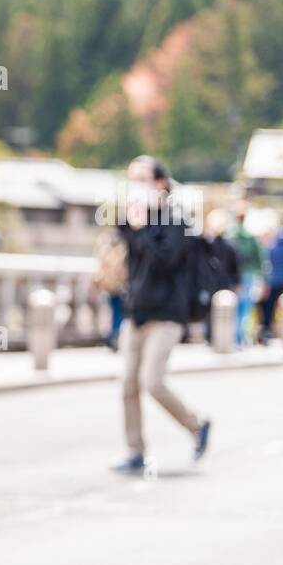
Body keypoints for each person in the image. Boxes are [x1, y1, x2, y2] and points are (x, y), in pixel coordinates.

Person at [112, 157, 210, 474]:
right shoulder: (133, 215)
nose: (135, 185)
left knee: (152, 381)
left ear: (160, 184)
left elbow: (165, 262)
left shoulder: (176, 219)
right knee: (128, 383)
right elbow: (128, 255)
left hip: (168, 312)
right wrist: (132, 223)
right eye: (132, 179)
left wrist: (142, 229)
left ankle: (196, 425)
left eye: (142, 179)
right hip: (137, 311)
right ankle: (135, 450)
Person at [226, 203, 265, 347]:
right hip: (248, 274)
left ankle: (234, 338)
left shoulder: (230, 235)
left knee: (233, 307)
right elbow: (260, 259)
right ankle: (240, 339)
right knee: (244, 309)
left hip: (233, 276)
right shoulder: (250, 237)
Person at [202, 208, 241, 344]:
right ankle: (211, 337)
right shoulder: (207, 244)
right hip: (213, 282)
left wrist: (236, 283)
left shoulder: (228, 245)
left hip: (223, 283)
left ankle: (220, 338)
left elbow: (234, 267)